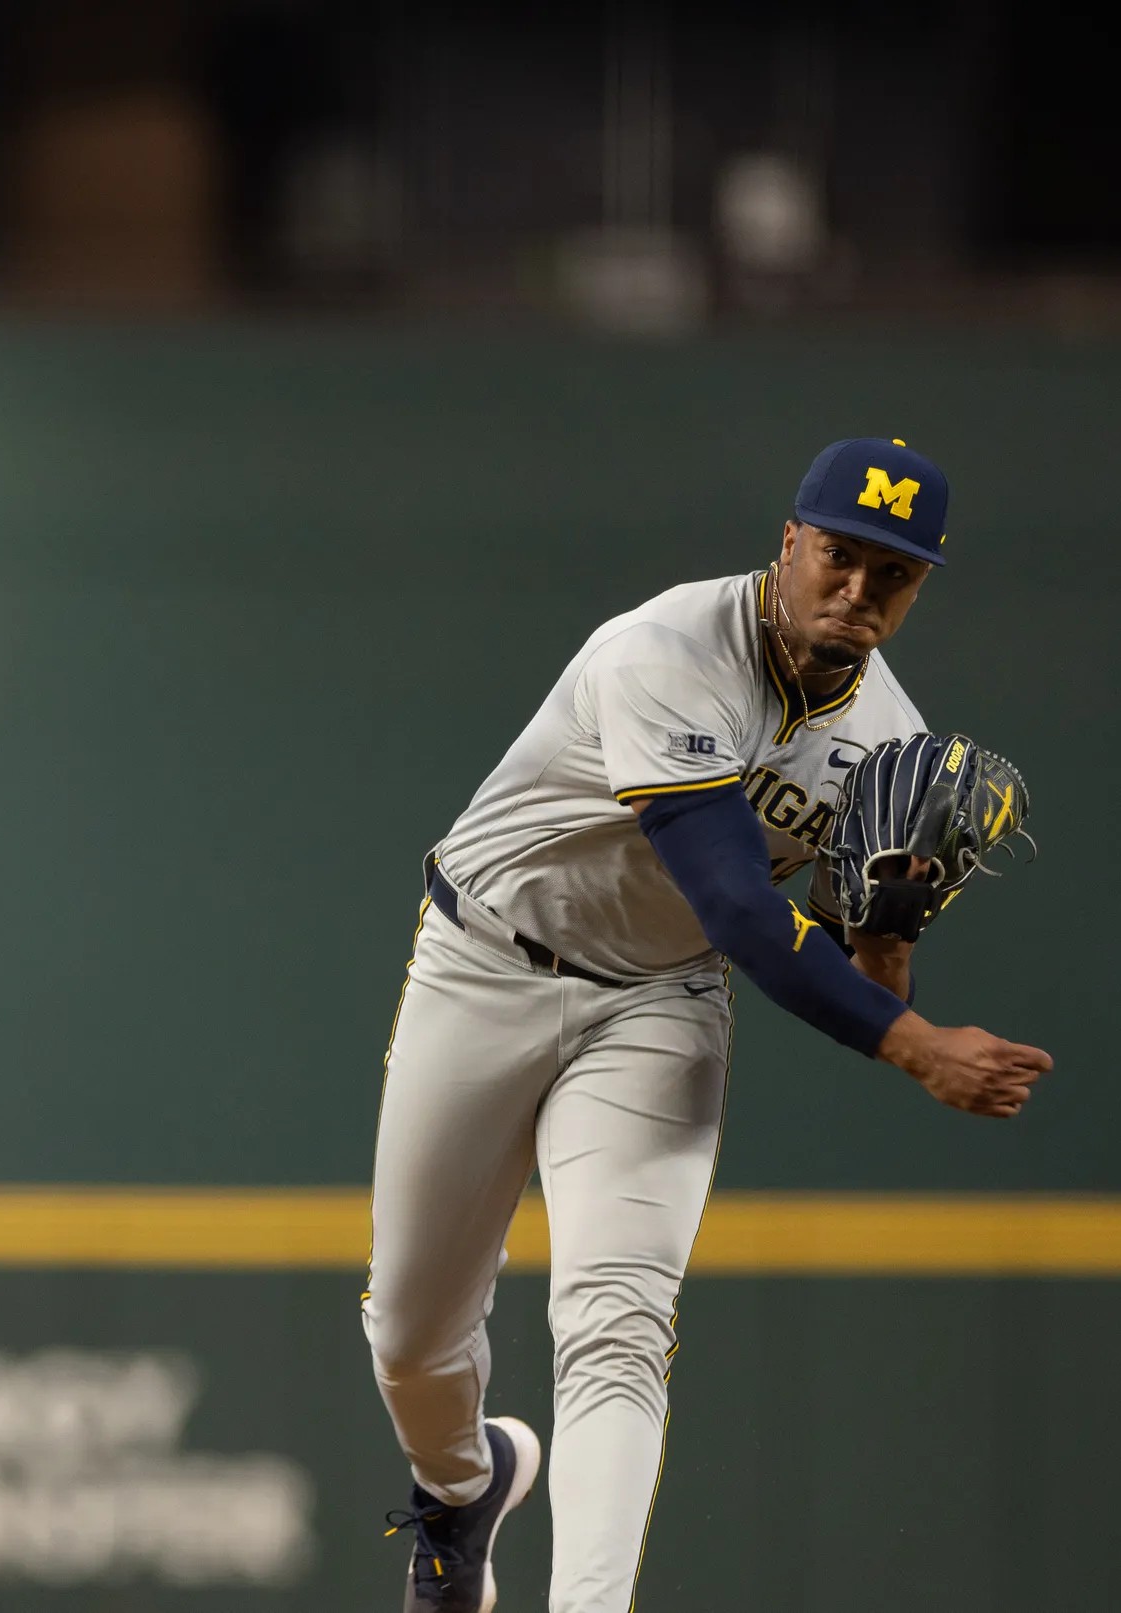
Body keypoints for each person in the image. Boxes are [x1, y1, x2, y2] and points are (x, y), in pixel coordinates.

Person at [364, 438, 1053, 1612]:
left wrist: (891, 917)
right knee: (410, 1335)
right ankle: (460, 1487)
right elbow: (735, 900)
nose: (855, 590)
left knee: (617, 1326)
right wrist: (917, 1043)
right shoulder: (662, 650)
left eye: (890, 574)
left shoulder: (887, 742)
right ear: (787, 542)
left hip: (657, 1002)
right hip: (484, 961)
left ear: (918, 587)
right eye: (838, 556)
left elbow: (856, 961)